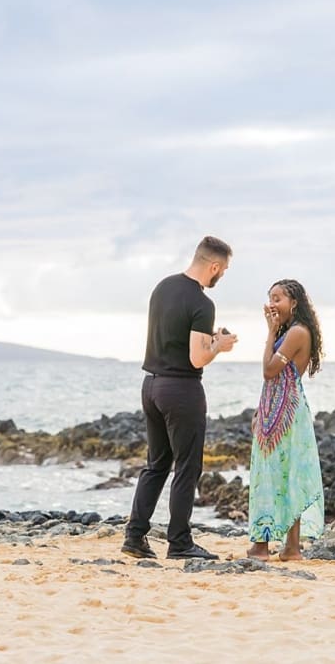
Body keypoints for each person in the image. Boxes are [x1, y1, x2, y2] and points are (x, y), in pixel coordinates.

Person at [122, 236, 238, 561]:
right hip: (182, 389)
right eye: (224, 270)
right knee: (187, 466)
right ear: (213, 266)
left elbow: (174, 337)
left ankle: (134, 536)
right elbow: (196, 358)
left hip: (151, 385)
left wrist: (209, 340)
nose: (222, 276)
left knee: (156, 465)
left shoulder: (163, 287)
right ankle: (180, 542)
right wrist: (220, 345)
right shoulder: (202, 304)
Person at [247, 279, 325, 561]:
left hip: (287, 415)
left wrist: (269, 334)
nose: (272, 303)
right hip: (277, 409)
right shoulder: (287, 331)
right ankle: (290, 549)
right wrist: (260, 411)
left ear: (294, 302)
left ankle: (260, 546)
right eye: (270, 297)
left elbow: (269, 372)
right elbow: (273, 383)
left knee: (270, 475)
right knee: (282, 474)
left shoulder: (298, 333)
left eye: (278, 298)